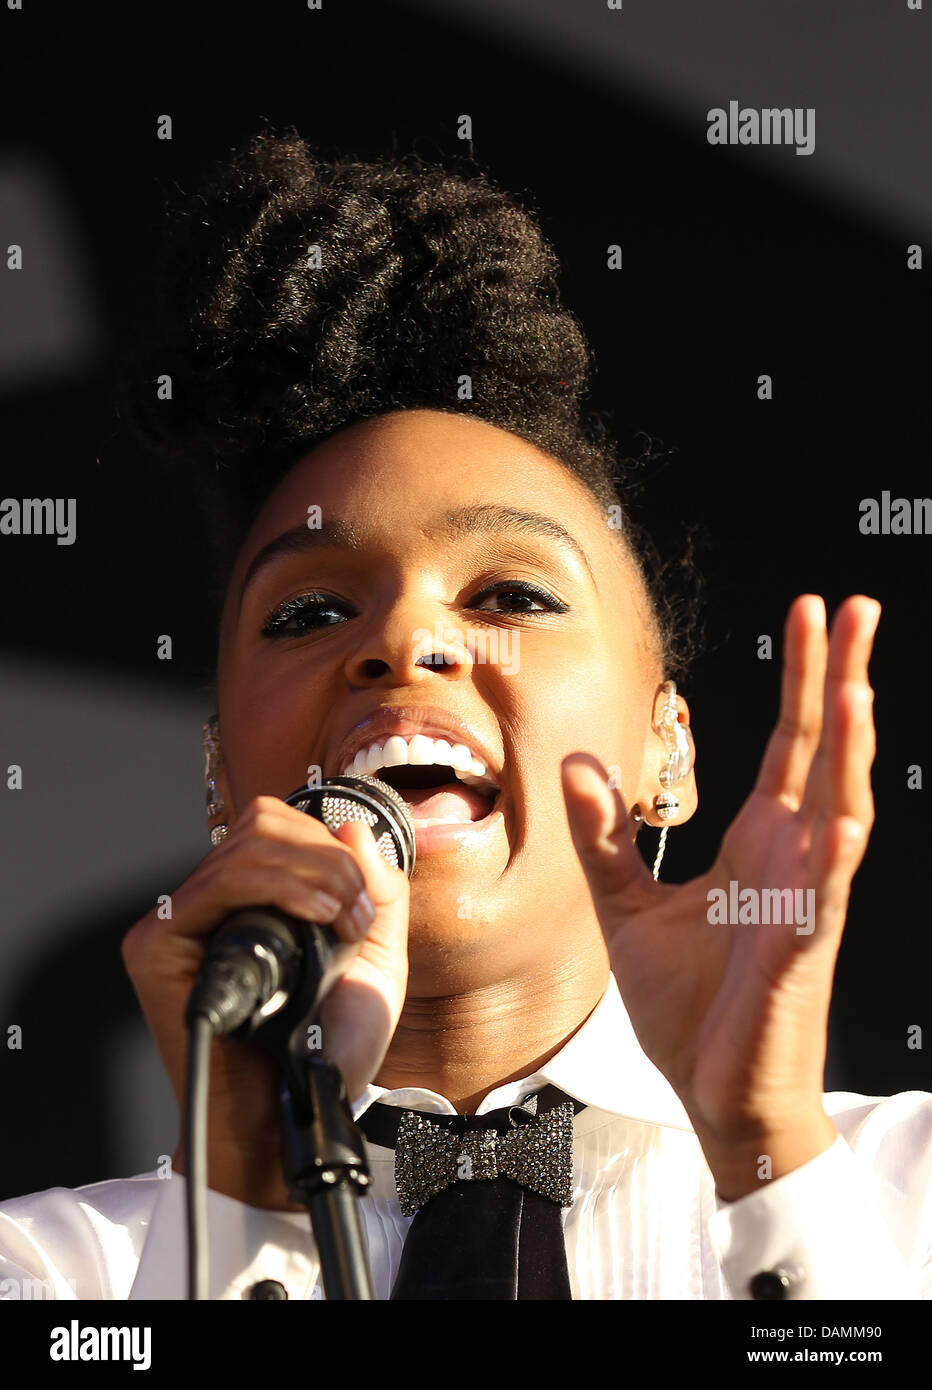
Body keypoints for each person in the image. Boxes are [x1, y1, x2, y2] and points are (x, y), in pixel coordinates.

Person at [0, 128, 929, 1301]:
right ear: (222, 774)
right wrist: (240, 1197)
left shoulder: (902, 1199)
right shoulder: (58, 1275)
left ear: (668, 747)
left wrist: (761, 1154)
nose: (402, 641)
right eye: (308, 610)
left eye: (510, 595)